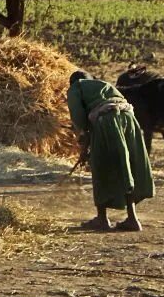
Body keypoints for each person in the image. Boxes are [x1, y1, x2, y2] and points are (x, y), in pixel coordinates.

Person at [66, 70, 154, 232]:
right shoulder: (106, 86)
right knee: (126, 166)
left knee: (101, 166)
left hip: (107, 121)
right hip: (129, 120)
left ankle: (102, 219)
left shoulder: (76, 87)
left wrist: (85, 144)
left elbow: (79, 118)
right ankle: (132, 219)